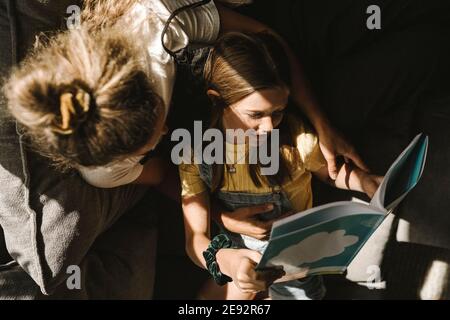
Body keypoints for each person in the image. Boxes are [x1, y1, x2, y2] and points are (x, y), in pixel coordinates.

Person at [4, 0, 367, 191]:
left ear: (151, 88)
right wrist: (221, 219)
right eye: (145, 149)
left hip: (261, 55)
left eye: (159, 124)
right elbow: (165, 176)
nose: (164, 136)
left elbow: (269, 41)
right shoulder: (103, 170)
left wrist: (322, 124)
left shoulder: (159, 22)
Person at [179, 32, 383, 300]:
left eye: (277, 112)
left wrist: (363, 181)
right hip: (235, 258)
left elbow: (331, 174)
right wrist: (227, 261)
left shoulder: (295, 138)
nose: (268, 127)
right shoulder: (196, 153)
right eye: (255, 115)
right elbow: (196, 241)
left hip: (294, 264)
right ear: (217, 99)